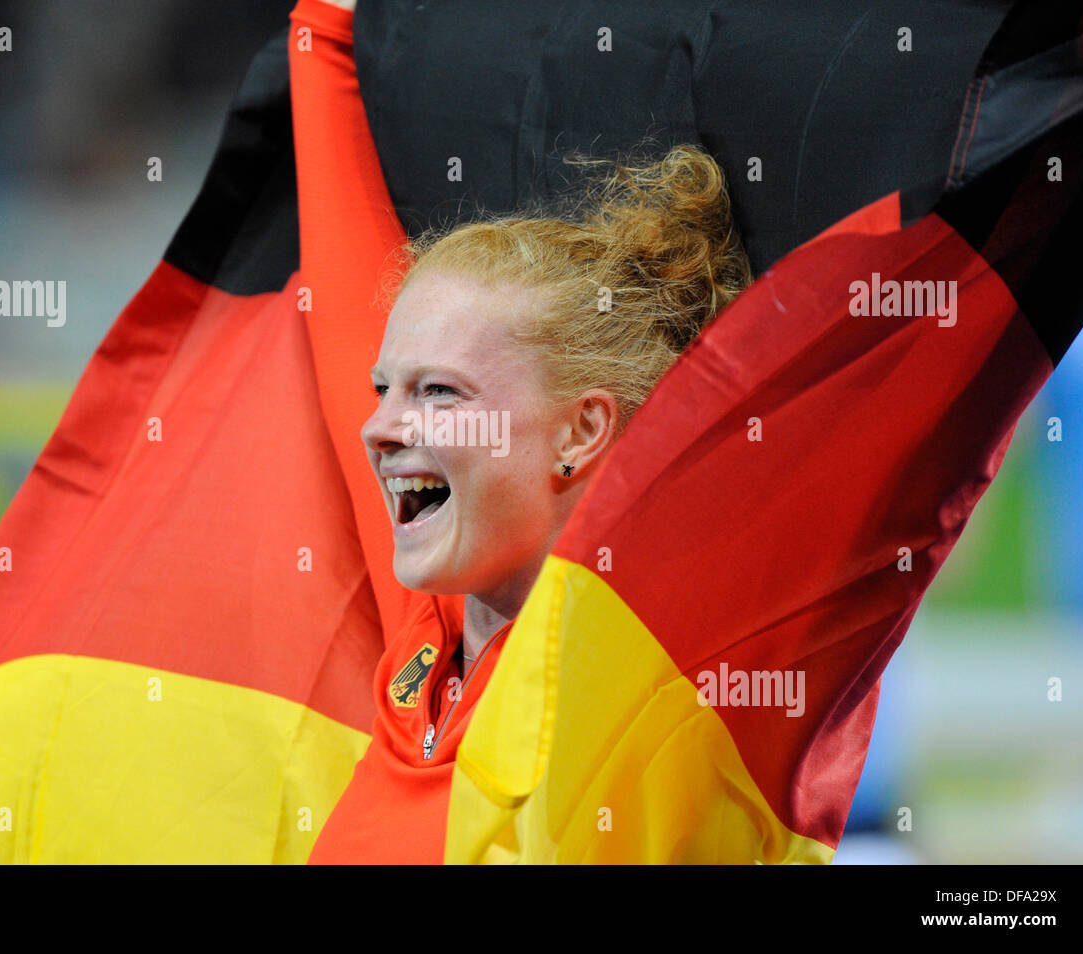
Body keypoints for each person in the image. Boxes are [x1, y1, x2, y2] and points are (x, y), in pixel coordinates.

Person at [307, 131, 752, 860]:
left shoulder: (653, 683)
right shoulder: (426, 642)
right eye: (383, 387)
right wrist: (320, 29)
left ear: (579, 431)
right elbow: (338, 272)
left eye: (438, 392)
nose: (378, 427)